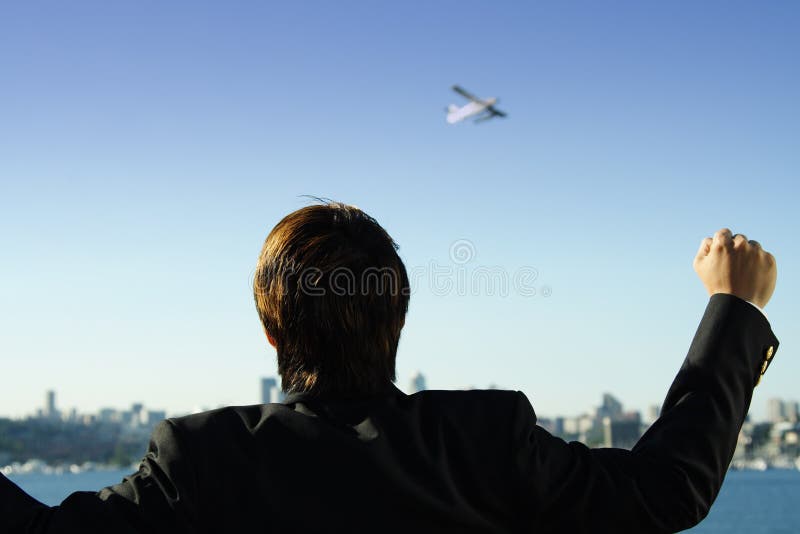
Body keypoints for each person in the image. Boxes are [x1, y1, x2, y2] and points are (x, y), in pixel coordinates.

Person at [1, 202, 779, 533]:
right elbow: (666, 490)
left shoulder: (201, 462)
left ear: (271, 334)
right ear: (398, 320)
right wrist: (733, 308)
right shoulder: (484, 441)